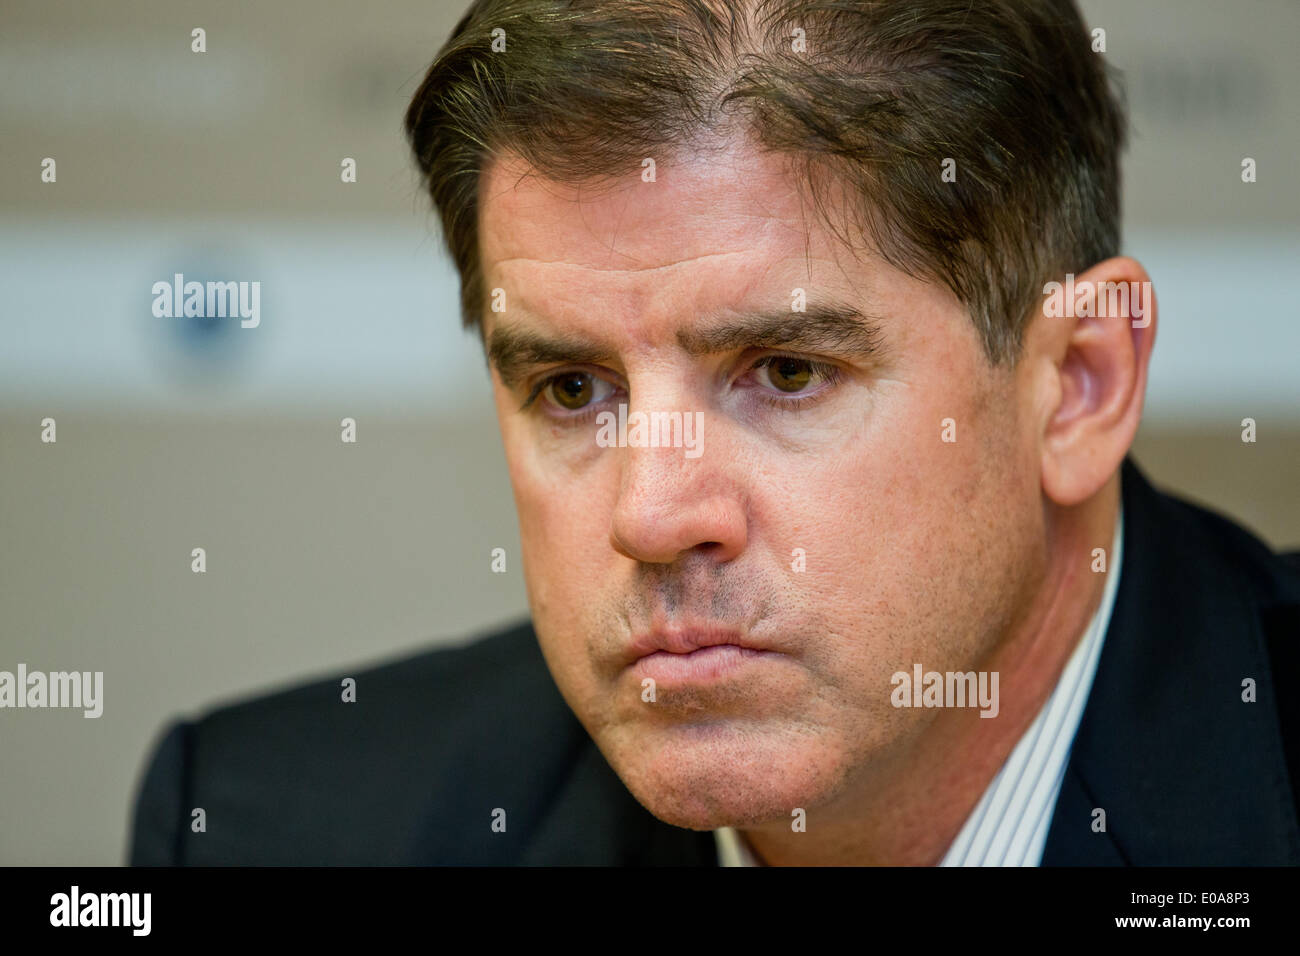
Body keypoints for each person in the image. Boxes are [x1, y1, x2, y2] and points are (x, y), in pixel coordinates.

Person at [130, 0, 1300, 866]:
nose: (651, 515)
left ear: (1078, 386)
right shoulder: (271, 827)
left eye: (786, 372)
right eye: (572, 389)